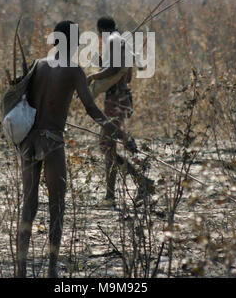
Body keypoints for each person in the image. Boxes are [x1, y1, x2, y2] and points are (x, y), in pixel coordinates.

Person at [16, 20, 137, 278]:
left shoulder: (38, 65)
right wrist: (121, 135)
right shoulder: (74, 70)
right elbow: (92, 110)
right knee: (56, 206)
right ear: (71, 43)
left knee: (29, 204)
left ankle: (22, 267)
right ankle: (51, 268)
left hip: (29, 141)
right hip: (52, 142)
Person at [87, 16, 154, 207]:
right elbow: (127, 75)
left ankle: (114, 195)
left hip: (116, 100)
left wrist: (93, 76)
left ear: (101, 30)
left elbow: (116, 68)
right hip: (122, 98)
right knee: (105, 145)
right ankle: (140, 182)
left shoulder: (113, 40)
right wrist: (103, 65)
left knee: (107, 146)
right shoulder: (122, 42)